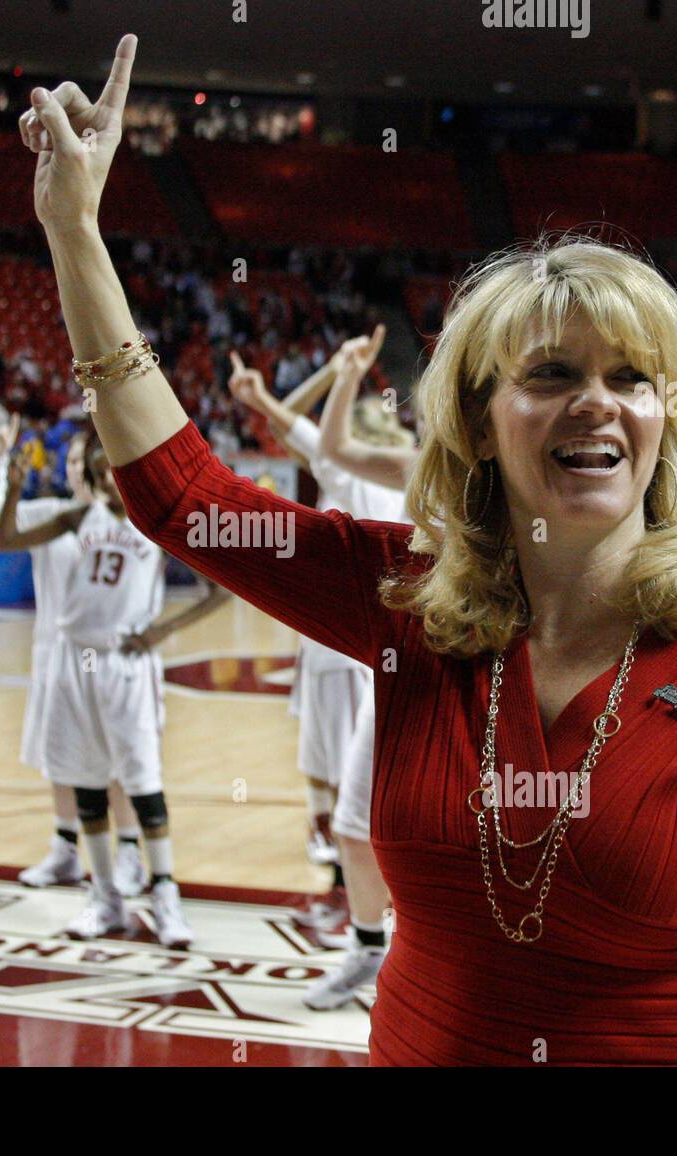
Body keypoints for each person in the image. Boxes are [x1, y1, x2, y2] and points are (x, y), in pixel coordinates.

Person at [18, 36, 677, 1065]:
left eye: (632, 377)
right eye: (550, 372)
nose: (595, 400)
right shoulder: (407, 603)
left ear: (665, 416)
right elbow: (182, 497)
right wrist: (75, 233)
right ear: (477, 416)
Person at [227, 342, 407, 1010]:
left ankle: (418, 948)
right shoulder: (383, 476)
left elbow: (314, 442)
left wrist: (333, 380)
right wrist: (338, 377)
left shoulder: (396, 482)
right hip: (378, 665)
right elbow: (312, 439)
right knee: (354, 824)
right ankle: (369, 946)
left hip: (425, 666)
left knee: (407, 826)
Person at [0, 435, 228, 946]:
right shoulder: (80, 518)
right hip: (73, 659)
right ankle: (104, 897)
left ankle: (165, 895)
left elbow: (219, 590)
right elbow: (5, 539)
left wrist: (163, 630)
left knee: (143, 782)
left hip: (126, 661)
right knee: (86, 783)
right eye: (102, 471)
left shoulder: (160, 523)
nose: (108, 478)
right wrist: (14, 491)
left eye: (115, 470)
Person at [0, 415, 148, 895]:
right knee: (62, 760)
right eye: (69, 460)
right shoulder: (52, 515)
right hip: (58, 657)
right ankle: (66, 849)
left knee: (119, 759)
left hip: (113, 661)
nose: (75, 468)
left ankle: (129, 849)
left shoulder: (132, 522)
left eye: (83, 459)